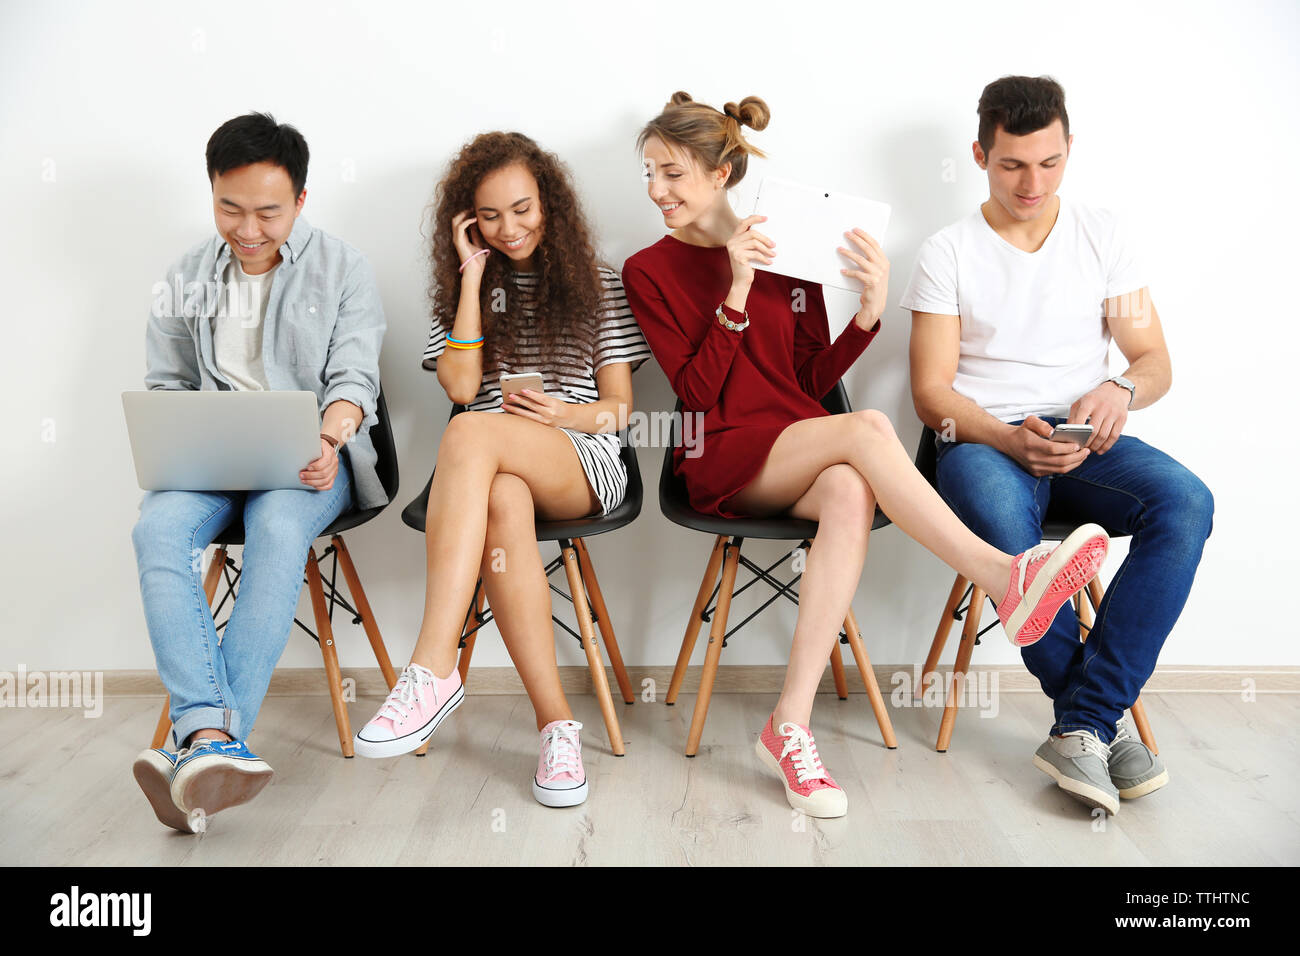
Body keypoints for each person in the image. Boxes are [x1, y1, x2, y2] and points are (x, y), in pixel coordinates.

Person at [622, 91, 1111, 819]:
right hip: (718, 453)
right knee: (869, 431)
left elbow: (810, 382)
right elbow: (694, 397)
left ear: (723, 173)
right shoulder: (648, 270)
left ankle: (788, 726)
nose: (657, 191)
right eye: (650, 175)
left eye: (672, 174)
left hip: (796, 445)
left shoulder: (786, 249)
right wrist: (736, 289)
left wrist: (868, 314)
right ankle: (1004, 579)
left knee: (852, 487)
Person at [904, 75, 1214, 816]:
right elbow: (932, 393)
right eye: (1012, 165)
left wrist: (1122, 391)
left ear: (1069, 150)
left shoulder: (1106, 235)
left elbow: (1153, 361)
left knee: (1187, 503)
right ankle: (1095, 724)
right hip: (986, 439)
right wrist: (1008, 436)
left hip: (1086, 441)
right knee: (1005, 531)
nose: (1032, 182)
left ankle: (1083, 722)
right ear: (980, 155)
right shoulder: (946, 251)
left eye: (1049, 162)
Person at [353, 132, 651, 808]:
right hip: (491, 472)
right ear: (467, 221)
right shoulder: (466, 286)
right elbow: (460, 384)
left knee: (469, 434)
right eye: (490, 217)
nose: (509, 228)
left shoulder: (601, 283)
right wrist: (471, 280)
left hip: (580, 457)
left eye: (522, 209)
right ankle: (557, 731)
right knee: (501, 491)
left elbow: (619, 411)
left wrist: (556, 414)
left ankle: (431, 668)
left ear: (550, 203)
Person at [131, 112, 386, 833]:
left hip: (307, 460)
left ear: (300, 201)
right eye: (229, 208)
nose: (248, 228)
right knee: (156, 531)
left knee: (278, 528)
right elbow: (167, 384)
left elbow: (354, 379)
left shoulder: (343, 268)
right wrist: (176, 432)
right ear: (211, 192)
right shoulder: (186, 275)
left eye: (268, 211)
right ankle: (215, 746)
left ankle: (200, 742)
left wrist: (330, 435)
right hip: (208, 462)